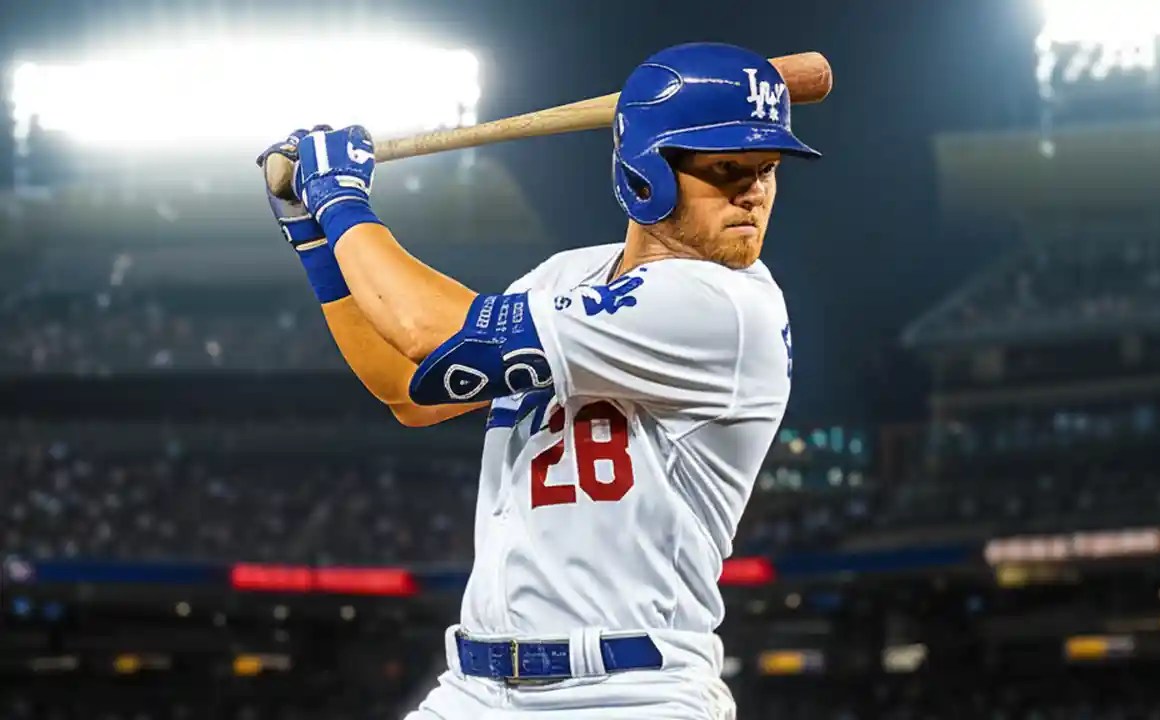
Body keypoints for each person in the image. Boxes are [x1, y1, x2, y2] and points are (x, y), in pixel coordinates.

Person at [258, 41, 819, 720]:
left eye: (766, 169)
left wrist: (342, 200)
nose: (754, 192)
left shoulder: (726, 308)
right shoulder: (565, 278)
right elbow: (409, 387)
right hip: (475, 688)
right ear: (647, 174)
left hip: (631, 691)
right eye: (727, 169)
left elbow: (434, 331)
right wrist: (314, 235)